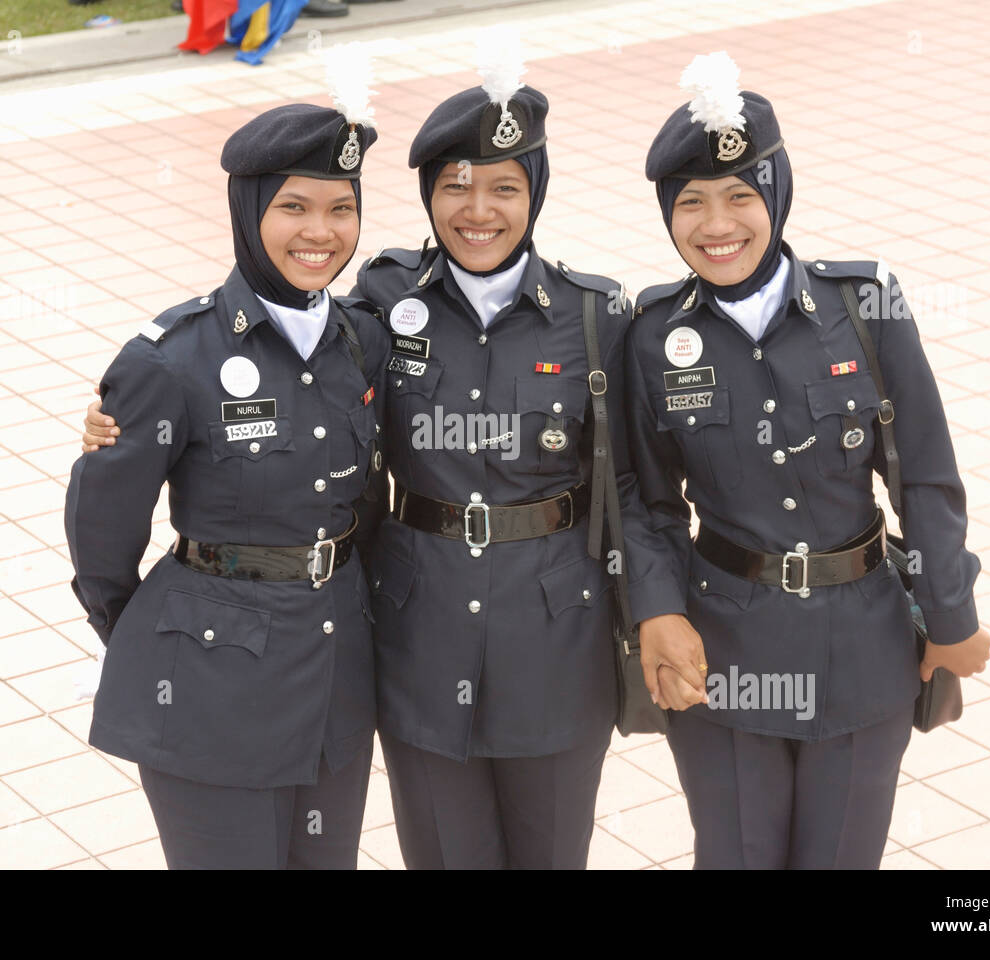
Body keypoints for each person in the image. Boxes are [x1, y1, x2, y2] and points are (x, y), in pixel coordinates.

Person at [84, 44, 699, 870]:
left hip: (556, 638)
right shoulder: (382, 303)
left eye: (505, 187)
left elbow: (633, 483)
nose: (478, 211)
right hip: (420, 635)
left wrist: (658, 606)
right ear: (425, 196)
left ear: (537, 194)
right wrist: (151, 624)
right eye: (454, 186)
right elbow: (266, 375)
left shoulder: (594, 317)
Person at [625, 52, 990, 868]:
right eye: (691, 204)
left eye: (740, 197)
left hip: (862, 649)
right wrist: (657, 609)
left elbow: (923, 474)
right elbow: (643, 500)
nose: (717, 225)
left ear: (778, 196)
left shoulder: (864, 307)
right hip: (722, 654)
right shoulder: (650, 335)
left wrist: (951, 612)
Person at [64, 82, 389, 869]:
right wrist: (153, 635)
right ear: (249, 212)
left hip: (335, 675)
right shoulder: (170, 358)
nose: (321, 232)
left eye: (341, 209)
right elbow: (101, 536)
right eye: (294, 208)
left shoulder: (364, 343)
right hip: (208, 686)